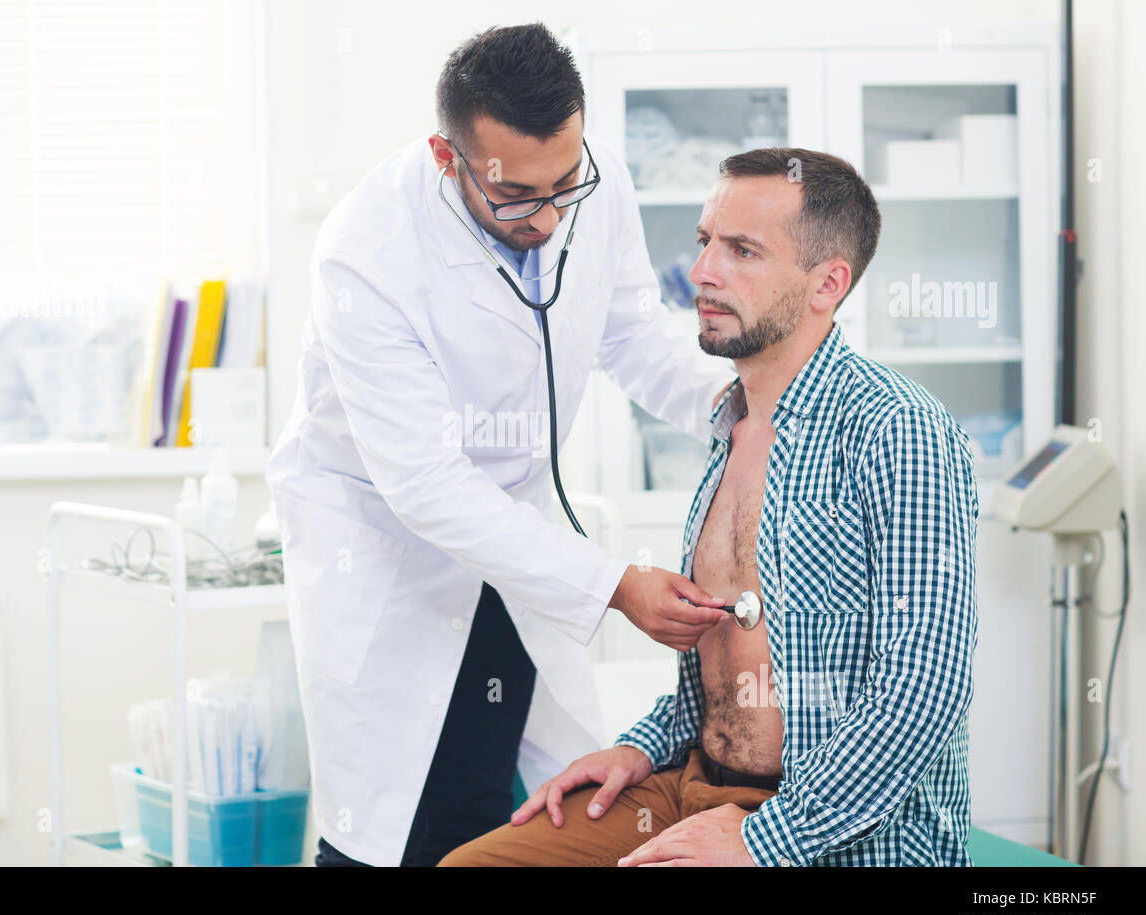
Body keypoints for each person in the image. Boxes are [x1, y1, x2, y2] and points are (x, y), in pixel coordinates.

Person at [266, 23, 736, 867]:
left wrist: (747, 405)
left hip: (514, 528)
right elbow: (426, 485)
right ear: (452, 162)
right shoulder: (365, 253)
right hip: (388, 545)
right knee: (400, 818)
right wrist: (615, 585)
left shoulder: (593, 185)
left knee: (516, 795)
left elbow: (634, 336)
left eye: (566, 182)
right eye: (519, 196)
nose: (552, 215)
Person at [439, 147, 980, 867]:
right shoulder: (731, 425)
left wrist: (764, 840)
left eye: (742, 251)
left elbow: (925, 688)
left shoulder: (897, 430)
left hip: (824, 826)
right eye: (704, 243)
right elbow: (725, 678)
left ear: (827, 284)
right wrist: (639, 747)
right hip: (697, 783)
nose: (702, 273)